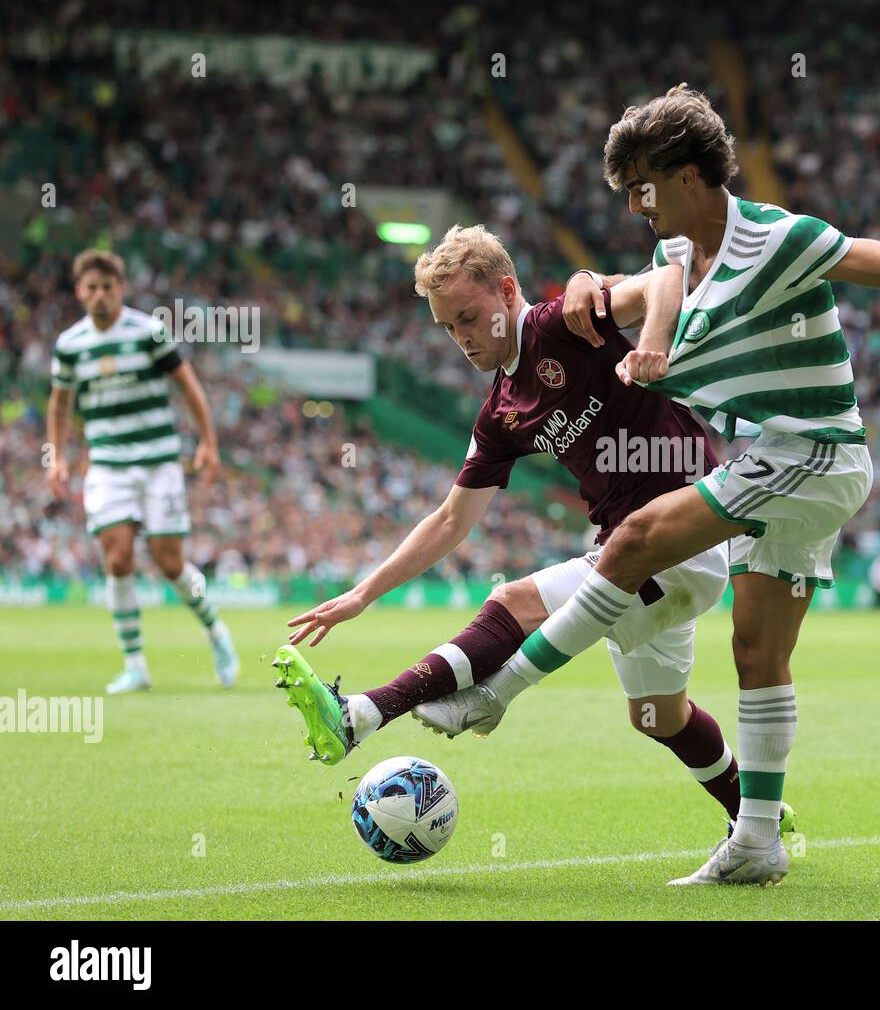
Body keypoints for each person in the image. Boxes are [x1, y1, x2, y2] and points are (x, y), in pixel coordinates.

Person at [419, 85, 880, 886]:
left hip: (814, 452)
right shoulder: (676, 258)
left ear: (687, 176)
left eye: (641, 188)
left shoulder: (777, 237)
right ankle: (757, 841)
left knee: (639, 538)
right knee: (756, 654)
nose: (634, 206)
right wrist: (585, 282)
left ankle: (496, 694)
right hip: (777, 461)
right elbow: (609, 295)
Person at [272, 224, 783, 832]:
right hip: (632, 554)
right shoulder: (501, 411)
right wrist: (362, 594)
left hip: (677, 536)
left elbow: (669, 277)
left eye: (467, 316)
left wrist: (645, 340)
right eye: (447, 327)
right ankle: (759, 820)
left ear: (506, 290)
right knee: (657, 715)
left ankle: (360, 714)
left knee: (514, 601)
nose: (461, 337)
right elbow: (451, 519)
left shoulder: (560, 323)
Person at [45, 249, 238, 693]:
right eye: (91, 288)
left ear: (121, 290)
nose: (99, 297)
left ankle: (215, 632)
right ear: (79, 292)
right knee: (117, 557)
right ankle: (135, 665)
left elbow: (188, 387)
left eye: (107, 288)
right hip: (108, 465)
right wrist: (56, 455)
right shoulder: (69, 345)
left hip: (158, 464)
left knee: (169, 562)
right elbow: (59, 403)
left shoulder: (149, 332)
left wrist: (207, 442)